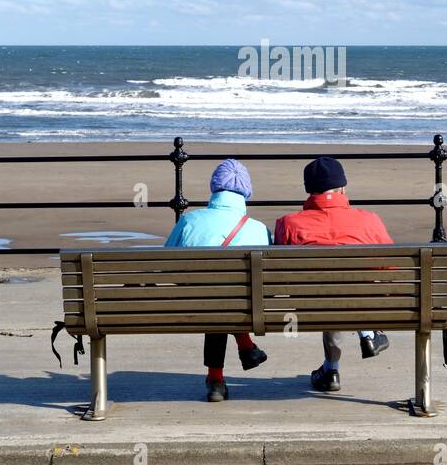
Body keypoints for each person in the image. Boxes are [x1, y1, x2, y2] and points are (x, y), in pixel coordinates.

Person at [274, 156, 393, 394]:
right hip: (359, 303)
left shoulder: (288, 223)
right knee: (347, 291)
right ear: (342, 188)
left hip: (306, 309)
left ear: (309, 191)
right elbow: (391, 268)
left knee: (328, 292)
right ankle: (368, 334)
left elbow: (279, 273)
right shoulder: (369, 220)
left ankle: (331, 369)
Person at [165, 158, 270, 402]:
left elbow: (163, 266)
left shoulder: (189, 221)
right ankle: (244, 348)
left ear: (214, 187)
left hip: (193, 305)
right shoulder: (259, 229)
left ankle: (217, 378)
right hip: (246, 307)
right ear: (245, 191)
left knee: (213, 297)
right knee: (229, 295)